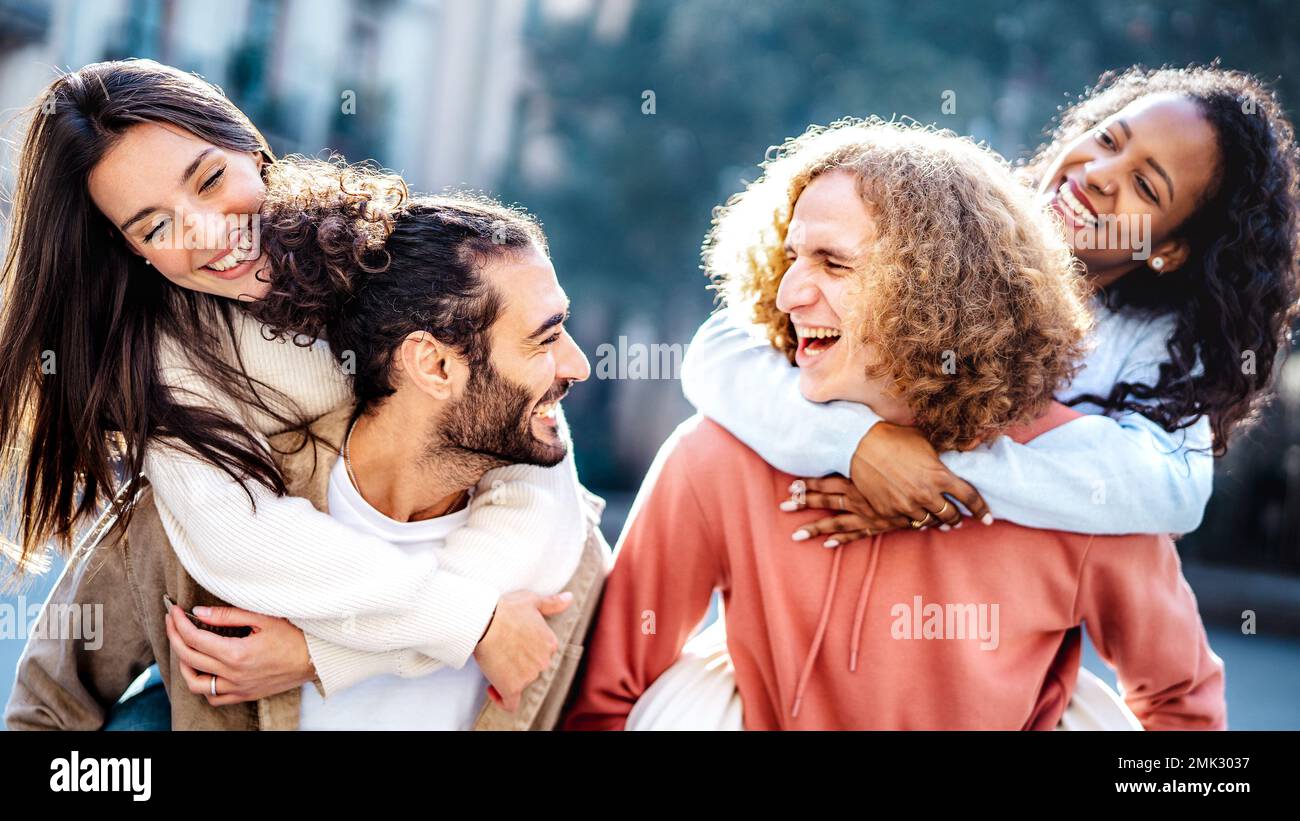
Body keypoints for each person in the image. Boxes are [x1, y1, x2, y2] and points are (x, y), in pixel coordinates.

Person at [564, 120, 1225, 730]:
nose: (789, 292)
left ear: (936, 290)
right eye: (793, 256)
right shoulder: (717, 457)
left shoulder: (1083, 489)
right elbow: (603, 705)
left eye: (833, 262)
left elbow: (1184, 712)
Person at [0, 59, 585, 710]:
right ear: (131, 249)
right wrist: (471, 621)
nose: (209, 231)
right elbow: (245, 544)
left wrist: (323, 655)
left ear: (250, 146)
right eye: (156, 226)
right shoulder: (164, 370)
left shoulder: (378, 244)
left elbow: (538, 475)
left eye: (212, 178)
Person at [680, 65, 1299, 541]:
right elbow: (717, 353)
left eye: (1144, 184)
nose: (1101, 173)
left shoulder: (1154, 344)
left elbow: (1170, 490)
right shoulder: (951, 220)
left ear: (1173, 249)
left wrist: (933, 480)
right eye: (1108, 139)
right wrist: (861, 445)